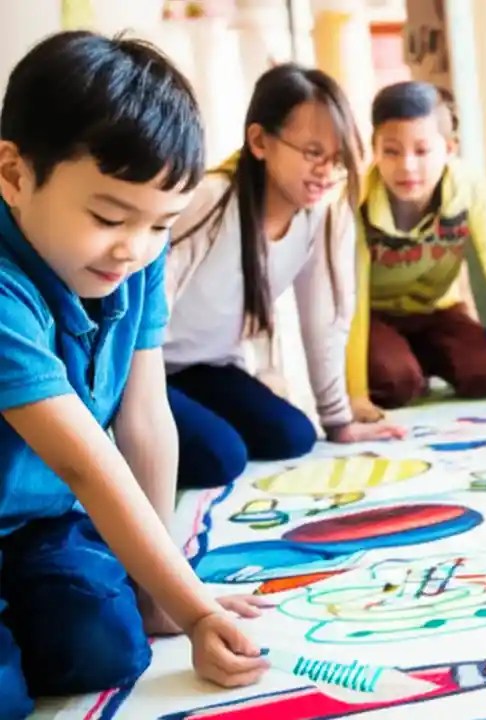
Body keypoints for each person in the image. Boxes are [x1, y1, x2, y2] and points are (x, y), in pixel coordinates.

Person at [0, 32, 269, 717]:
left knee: (110, 646)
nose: (135, 248)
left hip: (38, 522)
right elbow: (90, 464)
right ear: (13, 174)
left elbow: (145, 416)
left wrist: (167, 596)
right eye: (108, 217)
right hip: (52, 493)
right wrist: (198, 610)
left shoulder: (136, 257)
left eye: (160, 225)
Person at [166, 64, 404, 490]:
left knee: (293, 436)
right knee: (222, 457)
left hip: (210, 370)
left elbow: (325, 319)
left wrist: (339, 420)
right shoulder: (211, 201)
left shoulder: (324, 214)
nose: (327, 172)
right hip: (149, 367)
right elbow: (146, 306)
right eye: (313, 153)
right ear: (260, 141)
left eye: (337, 159)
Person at [344, 81, 486, 419]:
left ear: (449, 148)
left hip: (437, 310)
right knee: (395, 384)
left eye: (422, 151)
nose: (407, 166)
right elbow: (354, 295)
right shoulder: (357, 200)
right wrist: (357, 394)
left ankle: (419, 358)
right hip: (375, 316)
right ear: (373, 149)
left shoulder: (471, 189)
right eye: (391, 151)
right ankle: (404, 366)